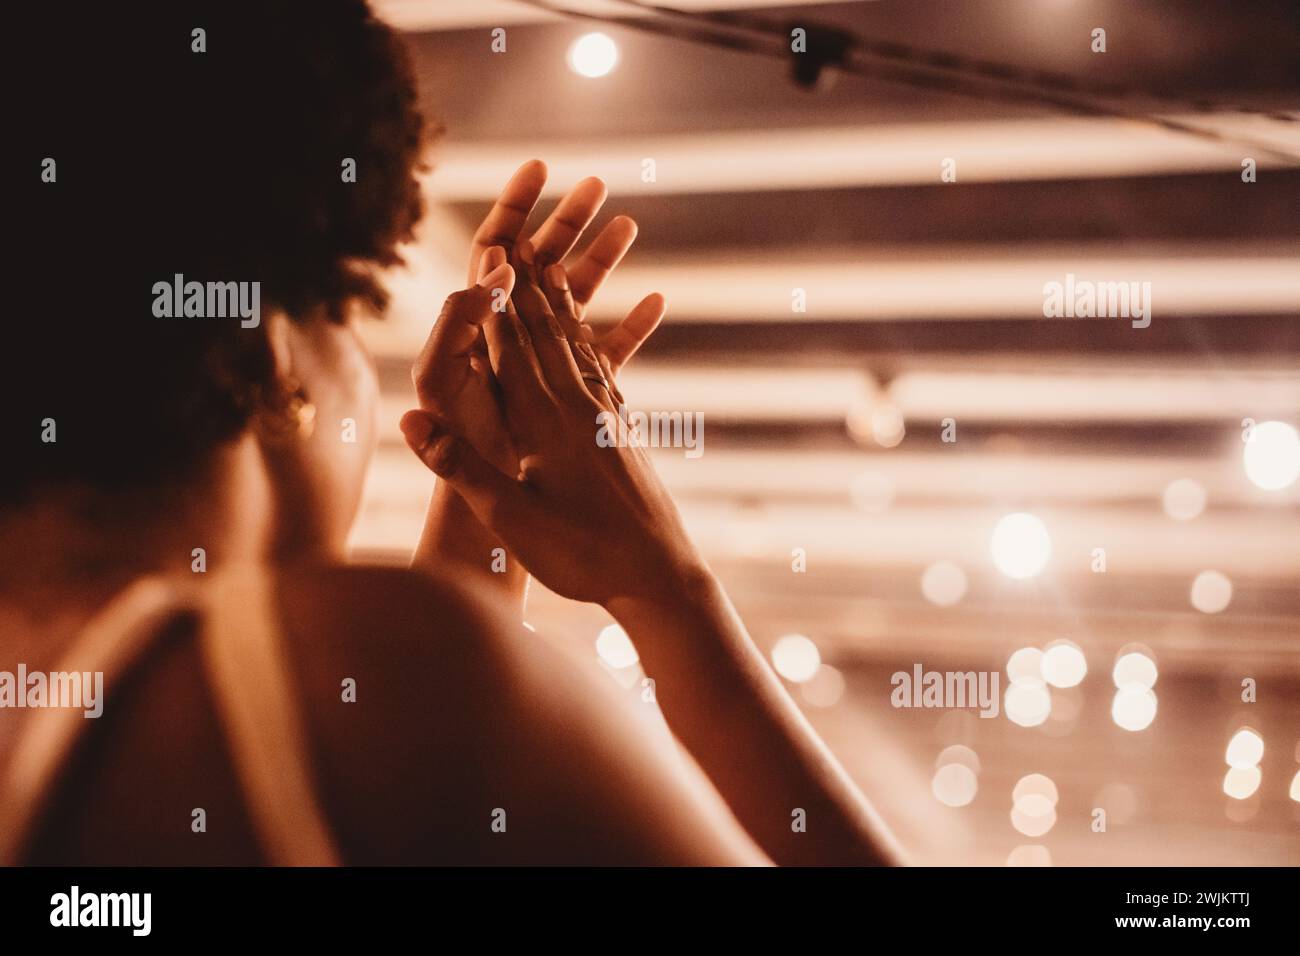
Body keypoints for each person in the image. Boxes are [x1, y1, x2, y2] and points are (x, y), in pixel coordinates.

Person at [0, 0, 901, 866]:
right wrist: (665, 588)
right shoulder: (372, 679)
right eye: (347, 323)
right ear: (274, 349)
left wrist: (481, 512)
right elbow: (391, 731)